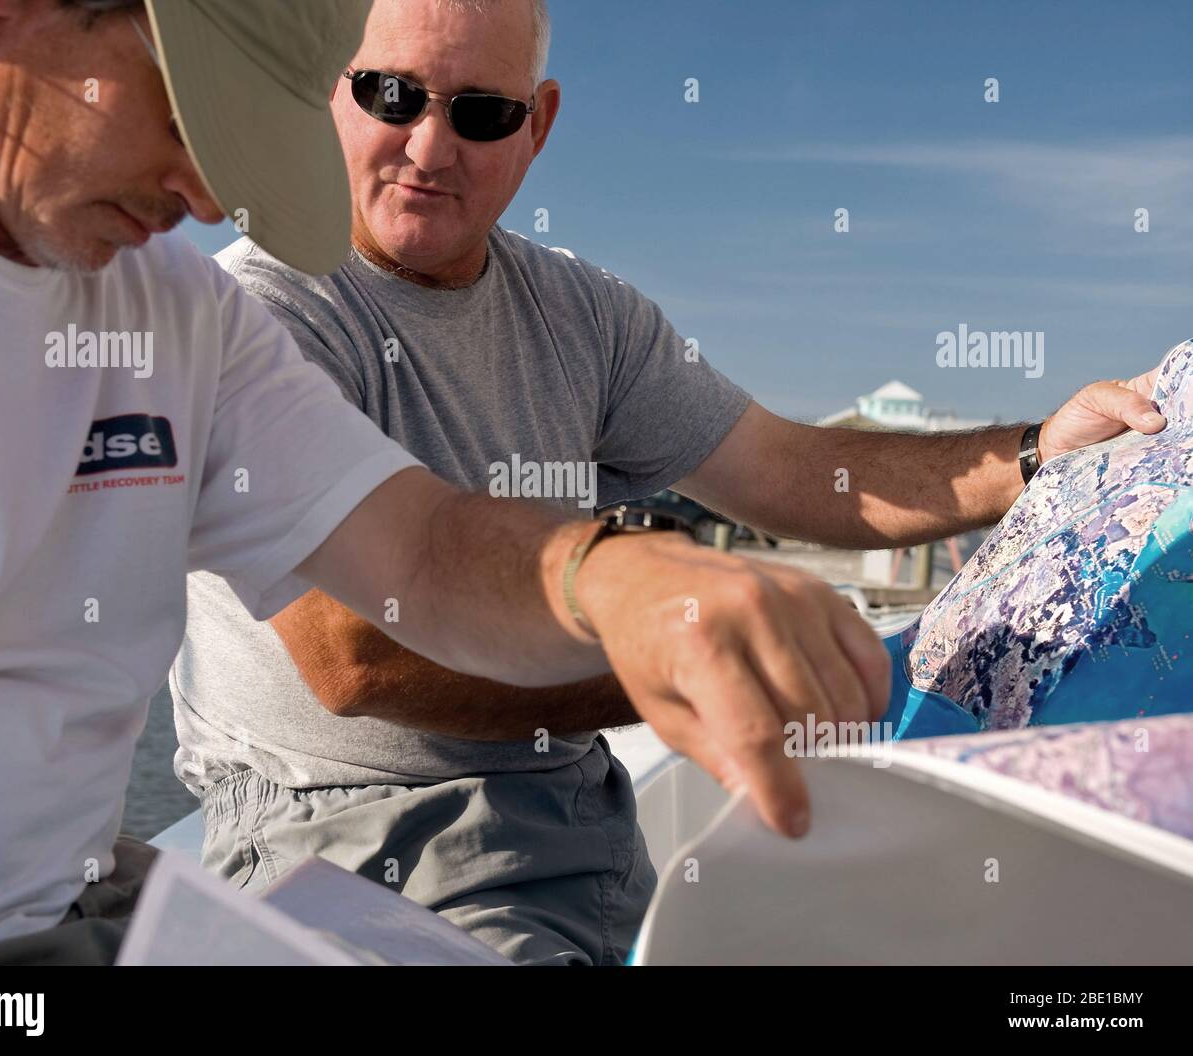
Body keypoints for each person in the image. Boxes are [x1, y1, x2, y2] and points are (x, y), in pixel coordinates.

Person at [0, 0, 897, 964]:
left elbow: (418, 548)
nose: (205, 196)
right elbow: (353, 658)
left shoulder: (187, 316)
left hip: (80, 900)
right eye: (185, 108)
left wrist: (616, 581)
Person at [172, 0, 1172, 965]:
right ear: (330, 90)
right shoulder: (263, 311)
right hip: (356, 838)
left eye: (481, 114)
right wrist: (677, 658)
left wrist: (1041, 450)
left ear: (539, 126)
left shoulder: (586, 314)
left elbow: (791, 471)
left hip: (582, 821)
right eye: (393, 95)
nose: (431, 148)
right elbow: (359, 661)